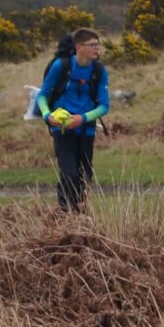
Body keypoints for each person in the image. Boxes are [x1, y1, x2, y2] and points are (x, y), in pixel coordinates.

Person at [36, 28, 109, 212]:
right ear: (79, 47)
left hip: (86, 129)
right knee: (69, 174)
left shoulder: (99, 71)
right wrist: (47, 116)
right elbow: (42, 96)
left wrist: (83, 118)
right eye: (92, 45)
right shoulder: (61, 66)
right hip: (61, 129)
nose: (97, 49)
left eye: (97, 44)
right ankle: (65, 213)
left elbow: (104, 106)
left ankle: (77, 213)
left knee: (84, 176)